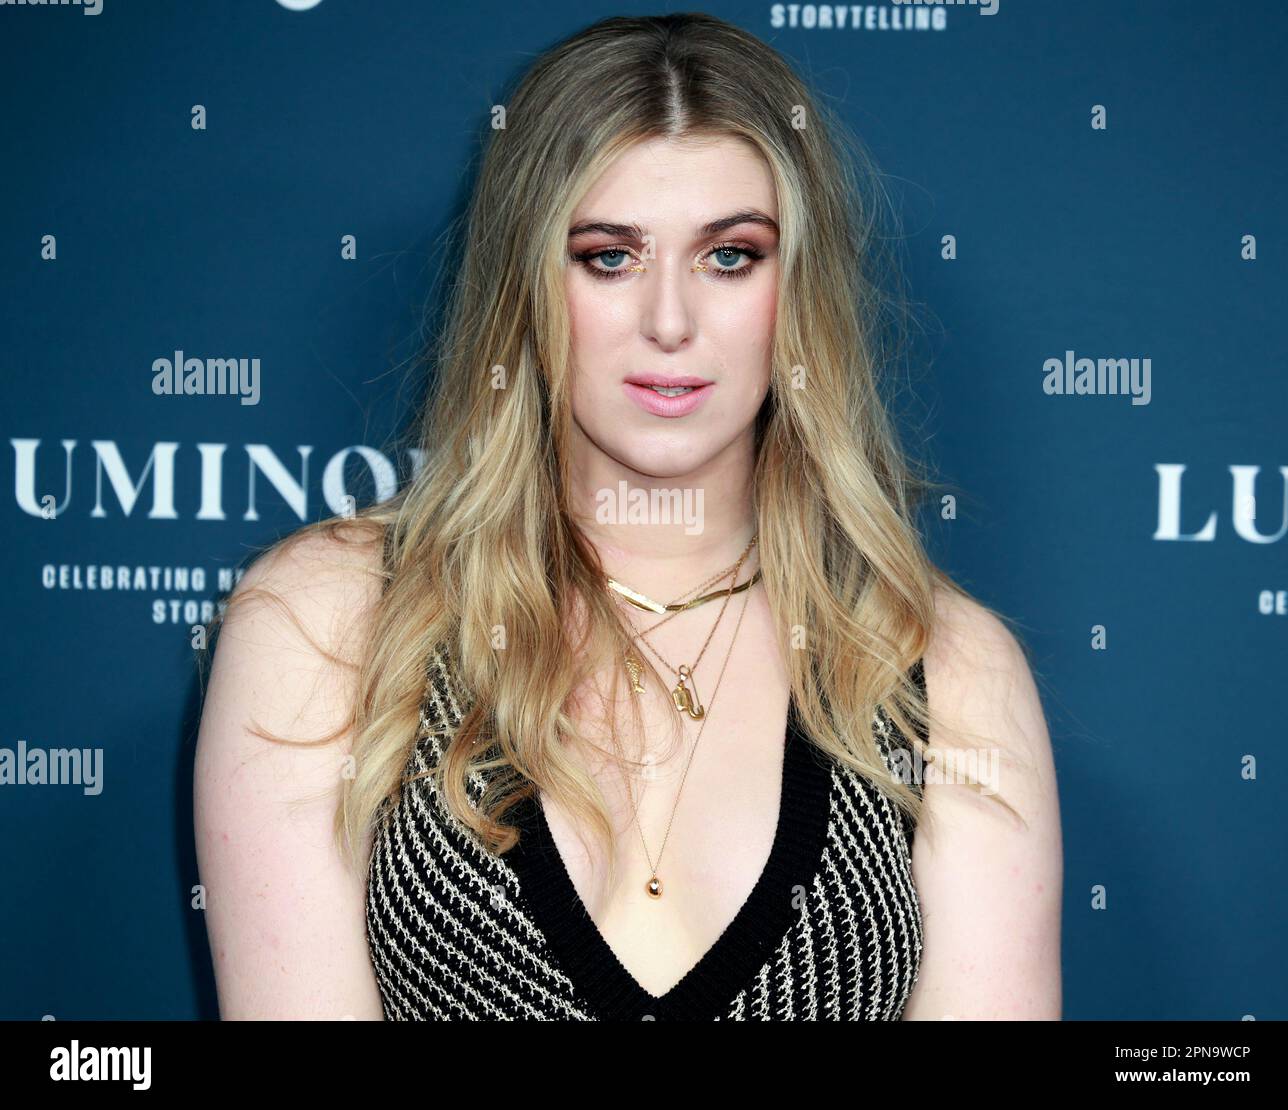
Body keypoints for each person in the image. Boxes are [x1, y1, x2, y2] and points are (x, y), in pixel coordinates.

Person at [193, 12, 1062, 1021]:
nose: (669, 320)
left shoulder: (943, 673)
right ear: (526, 284)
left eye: (730, 256)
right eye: (608, 256)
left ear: (800, 290)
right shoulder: (331, 625)